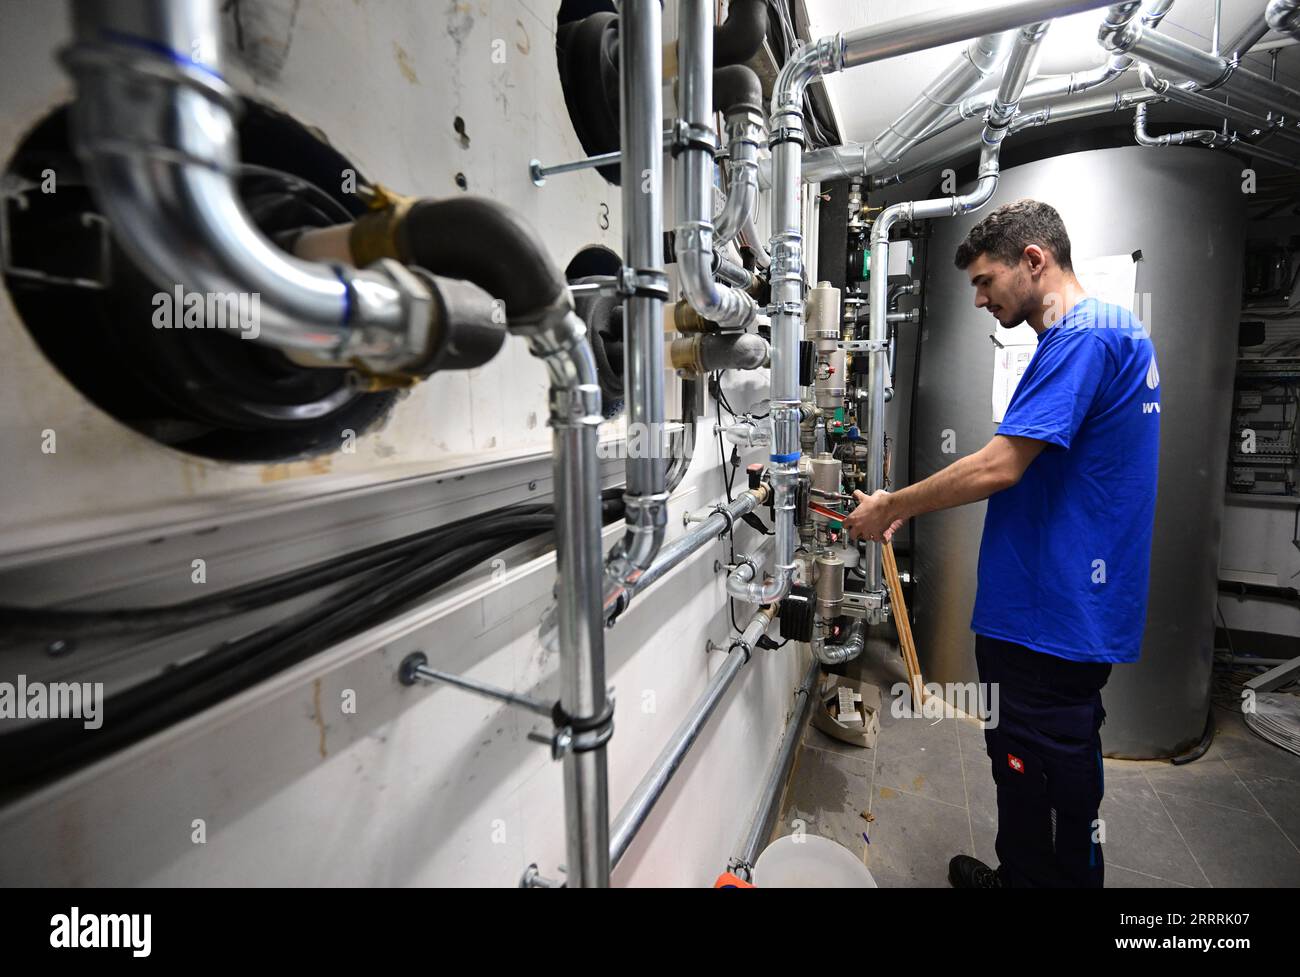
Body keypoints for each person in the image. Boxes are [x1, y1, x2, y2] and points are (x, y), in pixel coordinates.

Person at [843, 198, 1160, 888]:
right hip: (1053, 613)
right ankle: (1021, 876)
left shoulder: (1084, 335)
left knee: (1050, 779)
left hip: (1052, 621)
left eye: (986, 281)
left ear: (1034, 259)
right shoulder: (1099, 333)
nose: (981, 298)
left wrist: (890, 505)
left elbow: (999, 463)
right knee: (1024, 768)